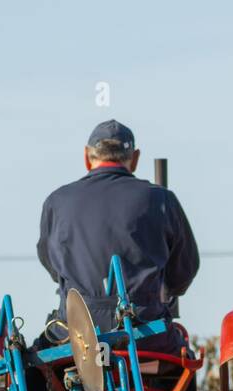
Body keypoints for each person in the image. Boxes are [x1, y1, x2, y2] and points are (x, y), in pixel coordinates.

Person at [37, 119, 200, 347]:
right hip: (146, 336)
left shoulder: (58, 201)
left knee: (33, 367)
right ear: (134, 159)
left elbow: (53, 266)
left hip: (74, 337)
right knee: (184, 362)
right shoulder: (162, 199)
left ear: (87, 157)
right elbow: (184, 271)